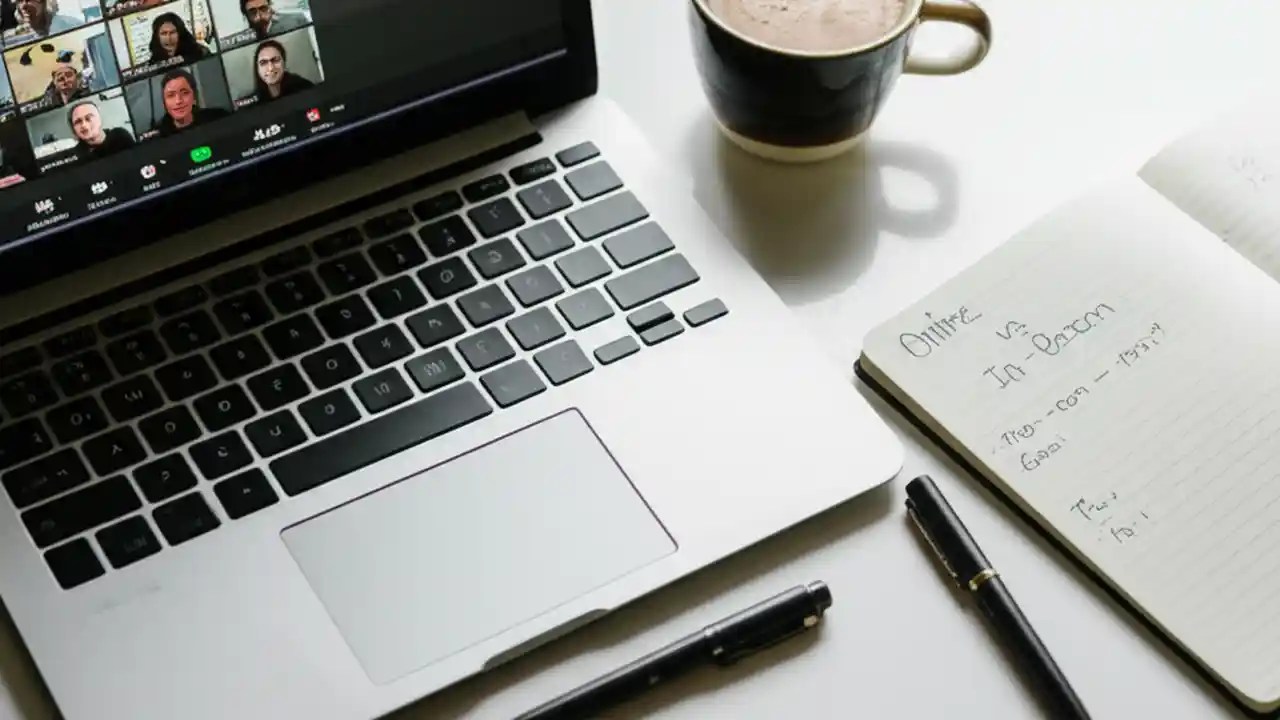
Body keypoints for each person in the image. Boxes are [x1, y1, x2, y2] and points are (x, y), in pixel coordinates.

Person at [154, 68, 229, 136]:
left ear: (194, 96)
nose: (178, 101)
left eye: (184, 93)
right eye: (171, 95)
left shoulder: (218, 118)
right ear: (164, 102)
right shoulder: (155, 136)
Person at [243, 39, 311, 104]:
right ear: (257, 68)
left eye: (275, 60)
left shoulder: (303, 88)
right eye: (263, 62)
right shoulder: (250, 102)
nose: (270, 68)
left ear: (284, 63)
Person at [67, 100, 134, 160]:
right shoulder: (76, 155)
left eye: (88, 118)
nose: (84, 125)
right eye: (78, 122)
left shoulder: (120, 136)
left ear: (99, 119)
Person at [5, 0, 82, 45]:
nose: (23, 6)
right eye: (19, 1)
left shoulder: (70, 26)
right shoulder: (14, 39)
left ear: (43, 2)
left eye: (28, 0)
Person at [240, 0, 306, 40]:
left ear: (270, 7)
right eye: (253, 12)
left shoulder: (296, 21)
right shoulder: (241, 38)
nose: (259, 16)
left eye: (263, 9)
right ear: (245, 15)